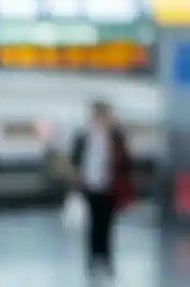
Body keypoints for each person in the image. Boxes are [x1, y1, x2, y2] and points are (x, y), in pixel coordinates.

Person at [70, 102, 133, 280]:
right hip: (89, 185)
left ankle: (105, 259)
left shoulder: (115, 136)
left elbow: (126, 160)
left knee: (107, 224)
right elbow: (75, 158)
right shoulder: (83, 136)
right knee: (92, 222)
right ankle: (92, 258)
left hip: (109, 185)